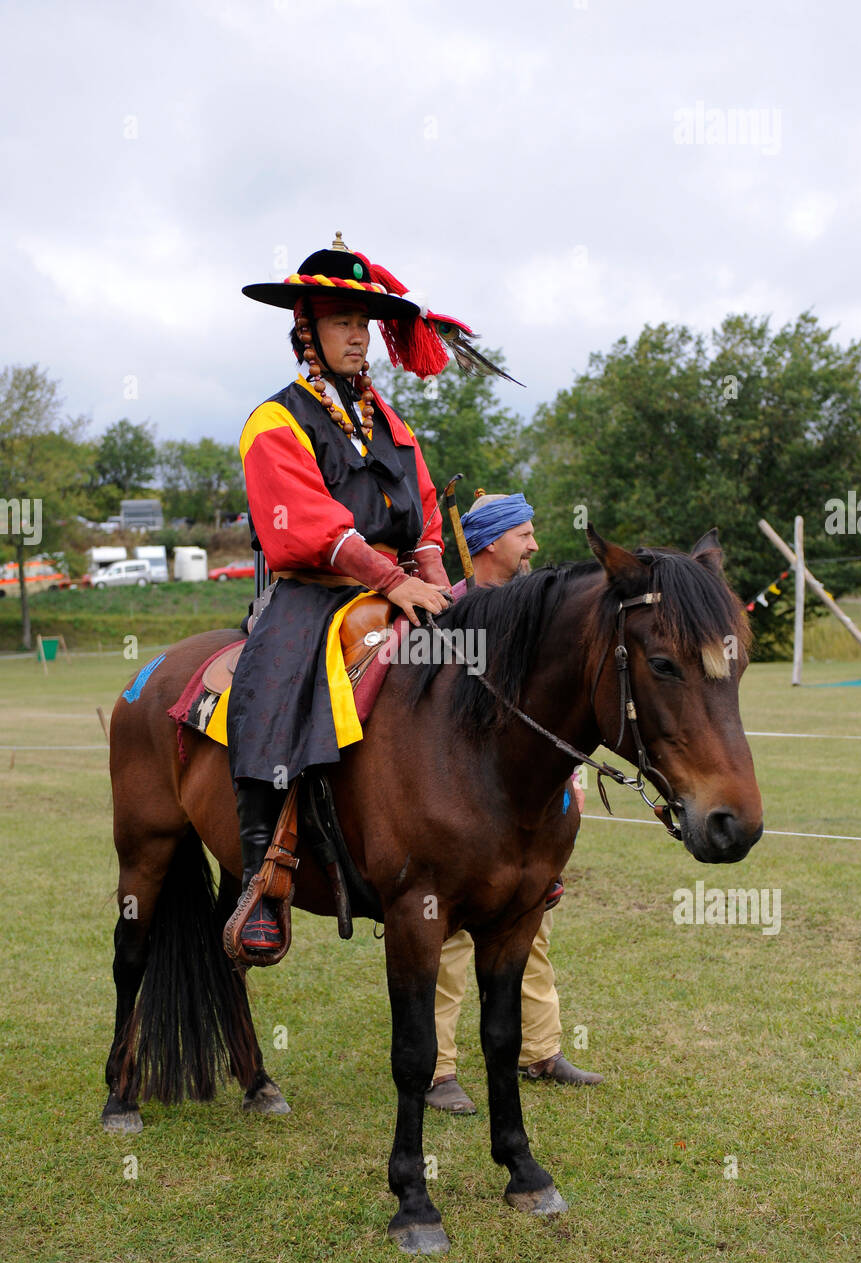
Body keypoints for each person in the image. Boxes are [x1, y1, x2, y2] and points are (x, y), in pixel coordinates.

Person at [224, 234, 455, 959]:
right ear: (307, 332)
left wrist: (438, 585)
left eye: (364, 324)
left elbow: (422, 513)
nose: (358, 337)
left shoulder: (393, 426)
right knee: (274, 673)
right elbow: (305, 527)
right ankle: (263, 873)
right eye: (340, 322)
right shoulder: (274, 420)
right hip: (314, 590)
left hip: (406, 586)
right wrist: (392, 580)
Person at [425, 491, 603, 1114]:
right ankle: (438, 1070)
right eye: (523, 534)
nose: (533, 545)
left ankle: (541, 1050)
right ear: (491, 543)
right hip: (463, 813)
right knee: (445, 940)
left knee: (533, 930)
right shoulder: (447, 614)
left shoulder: (541, 615)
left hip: (532, 812)